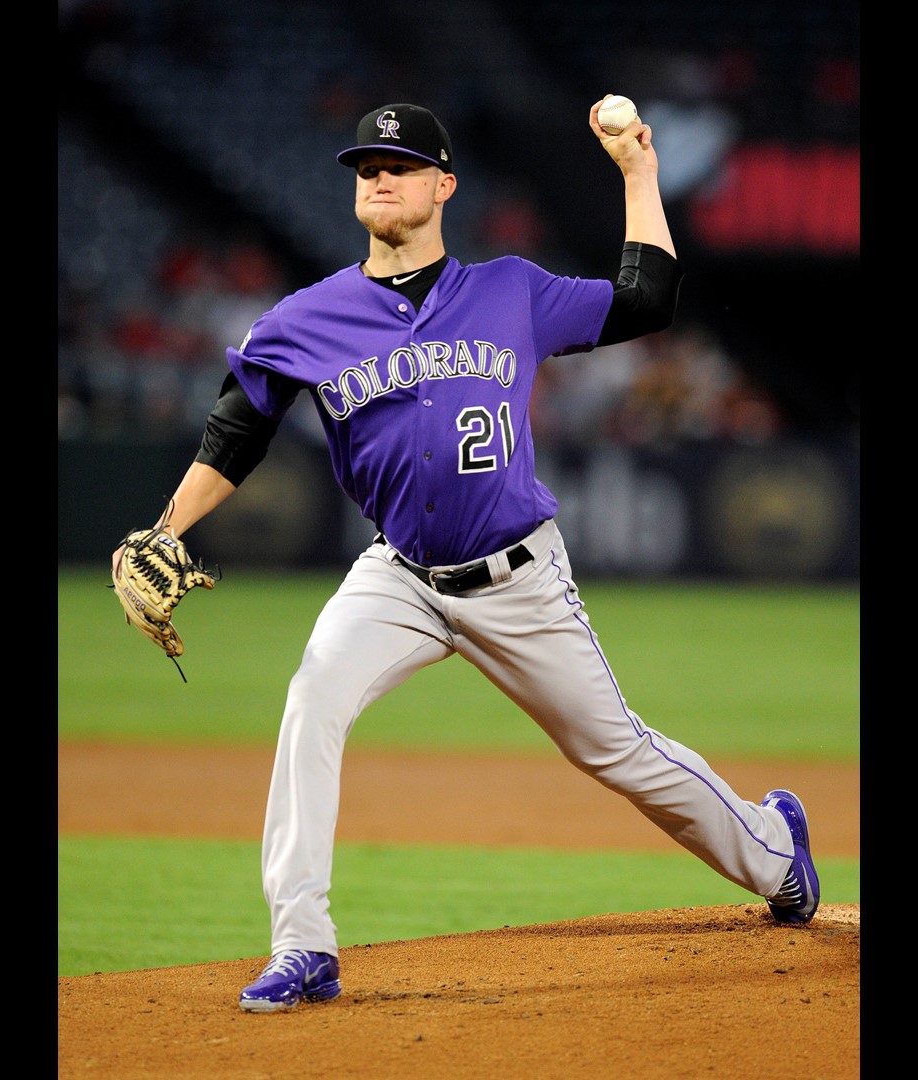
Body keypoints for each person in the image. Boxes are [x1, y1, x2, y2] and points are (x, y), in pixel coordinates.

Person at [116, 101, 820, 1013]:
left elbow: (648, 300)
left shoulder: (511, 291)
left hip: (519, 576)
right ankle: (303, 944)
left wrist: (639, 173)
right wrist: (168, 529)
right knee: (313, 698)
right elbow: (235, 431)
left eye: (398, 165)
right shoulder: (307, 317)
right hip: (399, 574)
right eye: (366, 166)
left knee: (616, 751)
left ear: (442, 185)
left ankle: (774, 850)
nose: (377, 178)